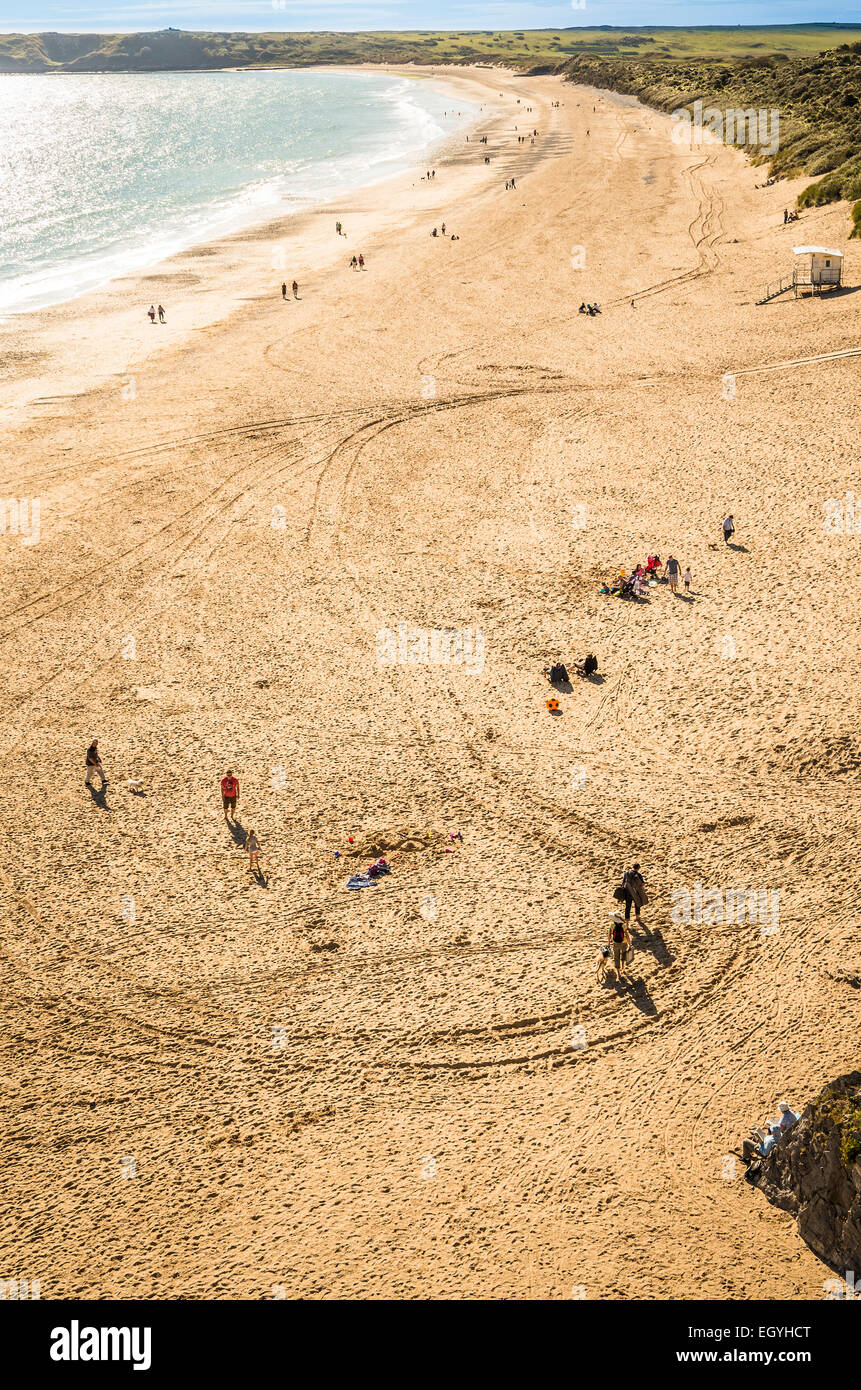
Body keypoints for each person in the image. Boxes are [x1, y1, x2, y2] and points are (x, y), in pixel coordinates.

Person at [608, 914, 631, 981]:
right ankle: (623, 967)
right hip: (623, 943)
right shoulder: (624, 925)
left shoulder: (612, 925)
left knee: (616, 957)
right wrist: (629, 944)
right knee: (624, 954)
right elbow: (627, 935)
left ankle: (618, 973)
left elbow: (609, 935)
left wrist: (609, 942)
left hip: (615, 943)